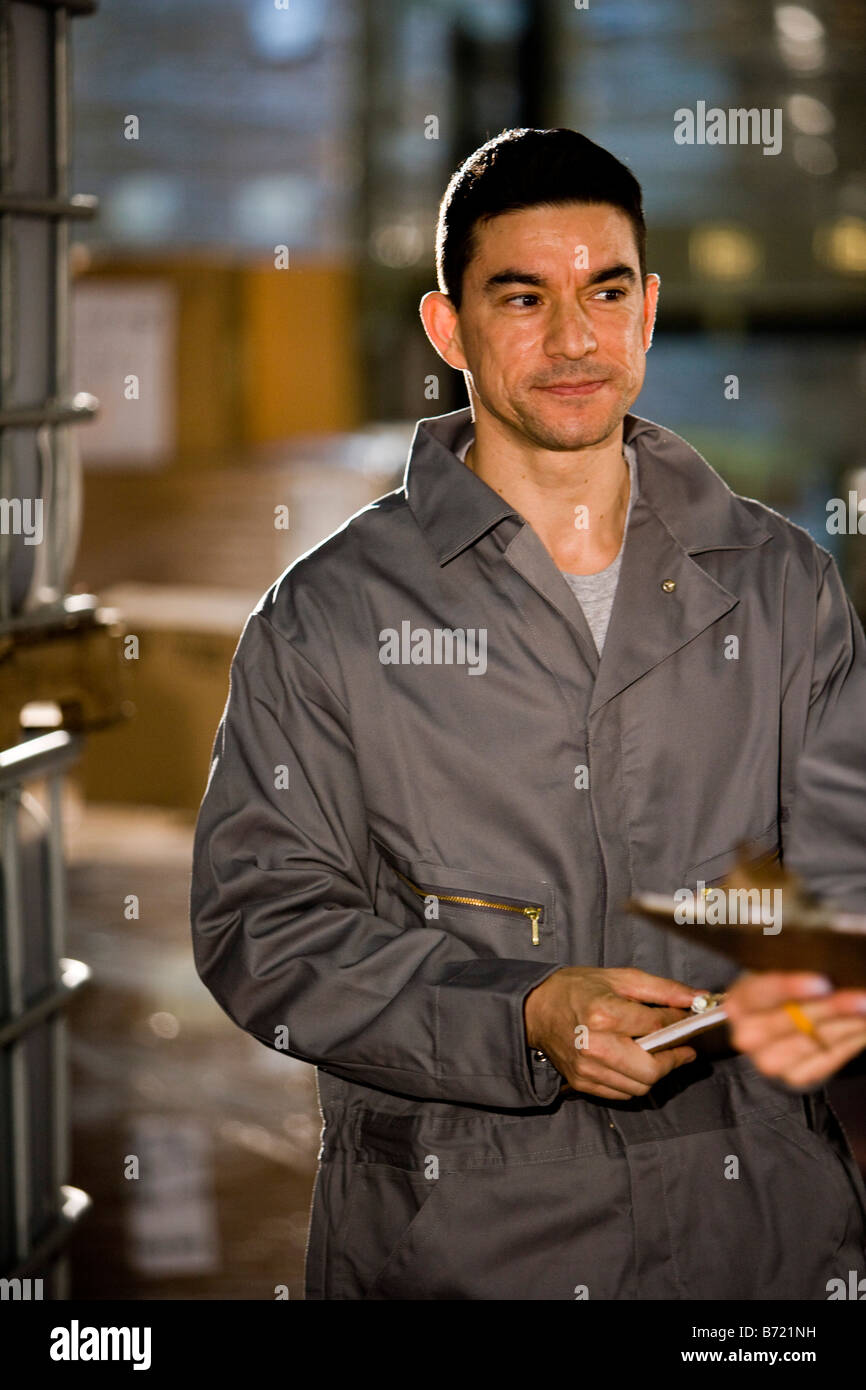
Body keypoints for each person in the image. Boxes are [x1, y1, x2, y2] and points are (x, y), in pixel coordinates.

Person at [190, 127, 866, 1300]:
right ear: (447, 329)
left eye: (603, 292)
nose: (572, 340)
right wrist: (523, 1014)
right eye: (522, 297)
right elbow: (263, 927)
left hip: (756, 1239)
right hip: (463, 1241)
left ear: (646, 312)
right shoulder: (330, 620)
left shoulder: (778, 586)